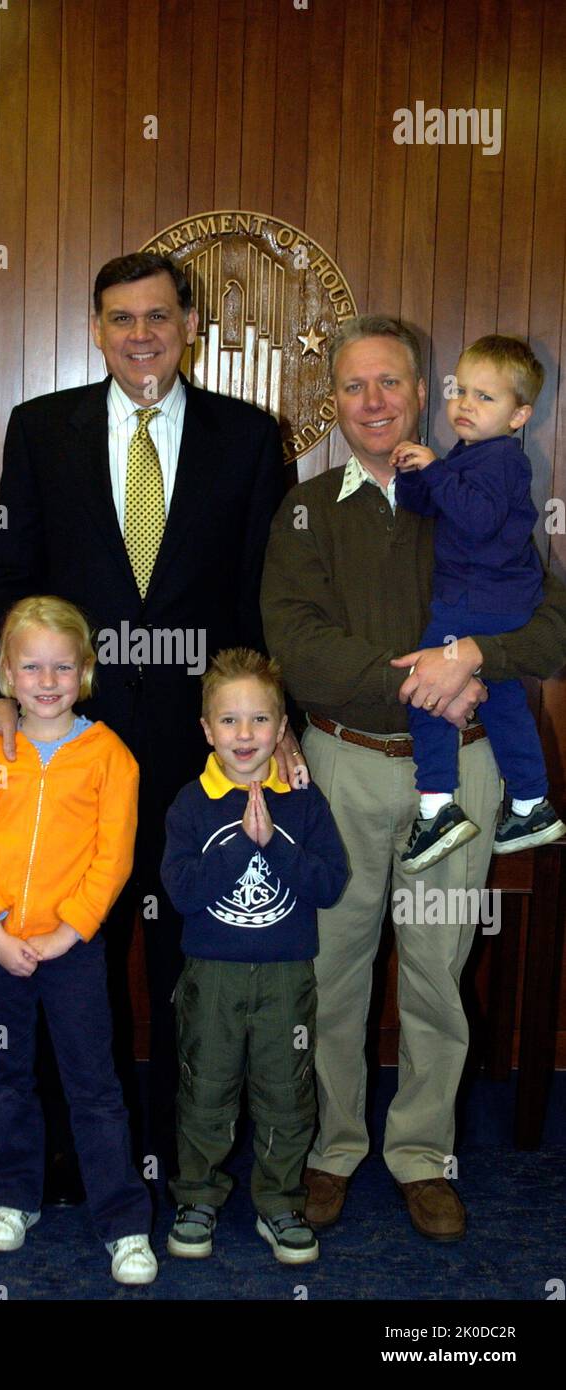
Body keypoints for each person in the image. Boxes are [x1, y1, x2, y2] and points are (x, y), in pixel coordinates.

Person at [0, 252, 291, 1176]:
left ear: (187, 324)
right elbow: (8, 576)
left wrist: (273, 731)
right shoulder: (40, 430)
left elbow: (261, 601)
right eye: (119, 318)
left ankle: (186, 1150)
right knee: (81, 947)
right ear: (95, 328)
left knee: (188, 949)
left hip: (204, 744)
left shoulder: (246, 435)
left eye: (156, 316)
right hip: (74, 743)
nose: (139, 335)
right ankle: (79, 1149)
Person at [261, 316, 566, 1241]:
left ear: (423, 390)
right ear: (335, 403)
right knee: (332, 971)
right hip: (345, 769)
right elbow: (297, 645)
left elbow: (550, 626)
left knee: (437, 972)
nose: (372, 402)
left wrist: (472, 654)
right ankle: (332, 1148)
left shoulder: (474, 487)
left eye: (390, 383)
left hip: (462, 778)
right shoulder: (306, 508)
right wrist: (422, 679)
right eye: (354, 387)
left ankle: (422, 1155)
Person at [0, 596, 156, 1286]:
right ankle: (13, 1196)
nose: (45, 681)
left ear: (84, 672)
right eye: (31, 667)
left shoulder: (109, 757)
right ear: (6, 672)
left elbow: (113, 855)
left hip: (74, 948)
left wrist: (72, 928)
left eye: (61, 668)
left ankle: (124, 1221)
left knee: (92, 1083)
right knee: (8, 1076)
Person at [161, 649, 347, 1266]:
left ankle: (281, 1203)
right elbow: (182, 891)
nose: (245, 736)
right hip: (211, 976)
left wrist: (278, 848)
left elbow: (329, 884)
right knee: (205, 1088)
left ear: (281, 726)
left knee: (285, 1093)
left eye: (260, 720)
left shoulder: (303, 802)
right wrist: (241, 844)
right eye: (230, 721)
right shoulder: (191, 803)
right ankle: (196, 1196)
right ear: (207, 729)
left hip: (286, 976)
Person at [390, 335, 565, 871]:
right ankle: (531, 803)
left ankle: (437, 807)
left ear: (520, 416)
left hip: (473, 603)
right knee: (506, 702)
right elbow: (433, 506)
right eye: (460, 390)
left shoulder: (504, 463)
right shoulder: (472, 456)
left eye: (485, 397)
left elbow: (477, 518)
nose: (465, 403)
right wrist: (414, 475)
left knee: (425, 691)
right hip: (496, 605)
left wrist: (436, 470)